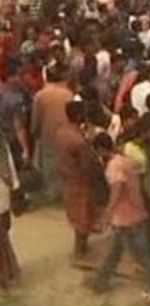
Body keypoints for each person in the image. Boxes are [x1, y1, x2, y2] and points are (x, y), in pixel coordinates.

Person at [91, 133, 150, 306]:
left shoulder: (114, 166)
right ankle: (101, 281)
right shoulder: (126, 161)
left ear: (100, 149)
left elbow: (117, 188)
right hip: (133, 213)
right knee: (117, 249)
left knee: (143, 256)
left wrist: (108, 211)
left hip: (127, 217)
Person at [55, 101, 105, 257]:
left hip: (67, 178)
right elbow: (87, 165)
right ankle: (80, 251)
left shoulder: (61, 132)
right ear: (78, 116)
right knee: (83, 217)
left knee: (78, 216)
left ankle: (81, 249)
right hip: (80, 181)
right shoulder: (78, 141)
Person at [31, 62, 74, 203]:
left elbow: (36, 118)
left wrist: (35, 132)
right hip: (67, 134)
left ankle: (53, 194)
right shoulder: (68, 94)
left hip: (48, 135)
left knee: (50, 168)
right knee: (65, 166)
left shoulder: (40, 95)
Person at [0, 136, 20, 291]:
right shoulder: (2, 142)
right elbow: (9, 168)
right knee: (4, 236)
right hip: (3, 194)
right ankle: (10, 272)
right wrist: (14, 187)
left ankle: (5, 276)